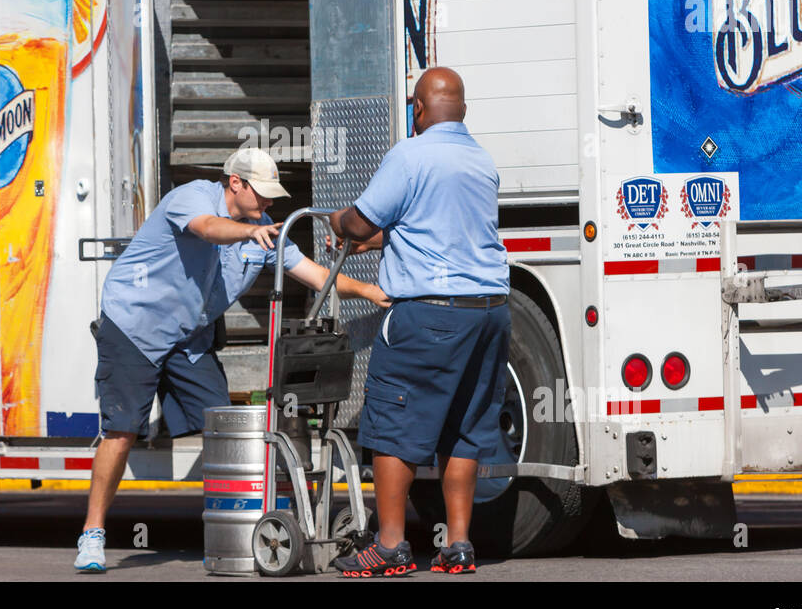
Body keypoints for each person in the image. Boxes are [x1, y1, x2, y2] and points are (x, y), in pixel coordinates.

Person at [75, 146, 390, 573]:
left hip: (187, 337)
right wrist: (246, 233)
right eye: (261, 194)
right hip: (134, 326)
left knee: (227, 425)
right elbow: (207, 229)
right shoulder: (193, 197)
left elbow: (317, 276)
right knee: (122, 429)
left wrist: (373, 292)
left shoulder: (263, 229)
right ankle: (92, 534)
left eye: (272, 197)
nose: (268, 203)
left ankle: (230, 532)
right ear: (235, 183)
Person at [328, 67, 510, 577]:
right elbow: (439, 228)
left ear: (418, 110)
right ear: (465, 111)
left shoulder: (409, 155)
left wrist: (338, 223)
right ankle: (457, 545)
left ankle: (389, 546)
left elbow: (361, 220)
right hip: (490, 312)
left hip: (430, 315)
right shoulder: (481, 161)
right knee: (465, 427)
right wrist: (381, 240)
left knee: (391, 422)